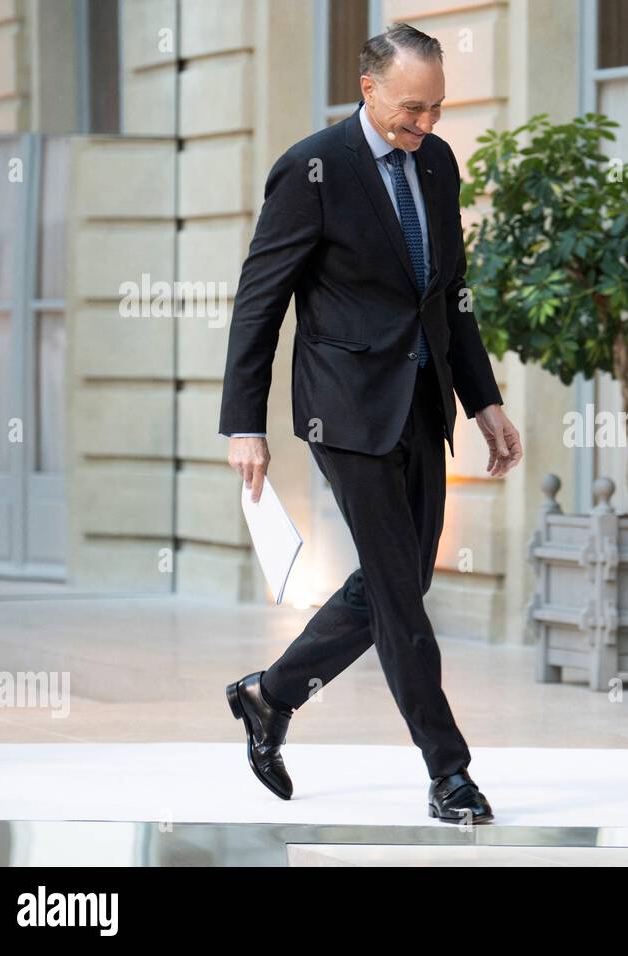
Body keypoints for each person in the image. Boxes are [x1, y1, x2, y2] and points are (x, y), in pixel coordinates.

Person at [218, 22, 522, 825]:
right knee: (398, 593)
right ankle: (449, 772)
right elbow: (261, 301)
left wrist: (482, 399)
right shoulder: (313, 169)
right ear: (369, 87)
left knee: (402, 583)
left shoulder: (438, 162)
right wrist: (243, 424)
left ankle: (269, 695)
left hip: (420, 403)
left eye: (436, 110)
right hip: (344, 408)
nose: (423, 125)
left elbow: (449, 296)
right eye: (410, 110)